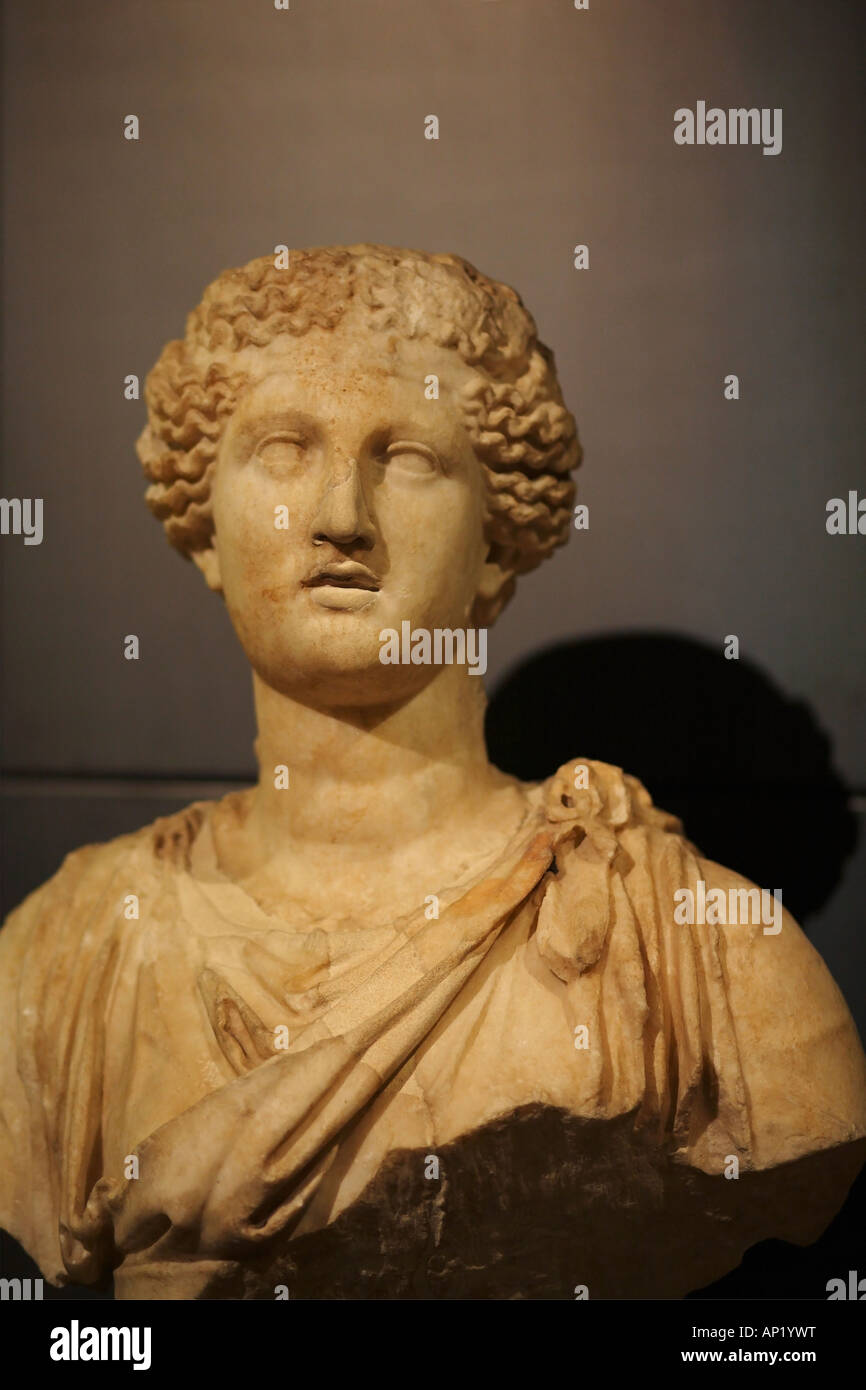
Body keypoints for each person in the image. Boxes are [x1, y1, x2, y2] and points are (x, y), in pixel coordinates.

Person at [1, 245, 863, 1299]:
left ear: (497, 538)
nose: (339, 518)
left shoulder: (702, 961)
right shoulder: (58, 958)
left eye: (405, 457)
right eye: (281, 447)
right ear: (203, 527)